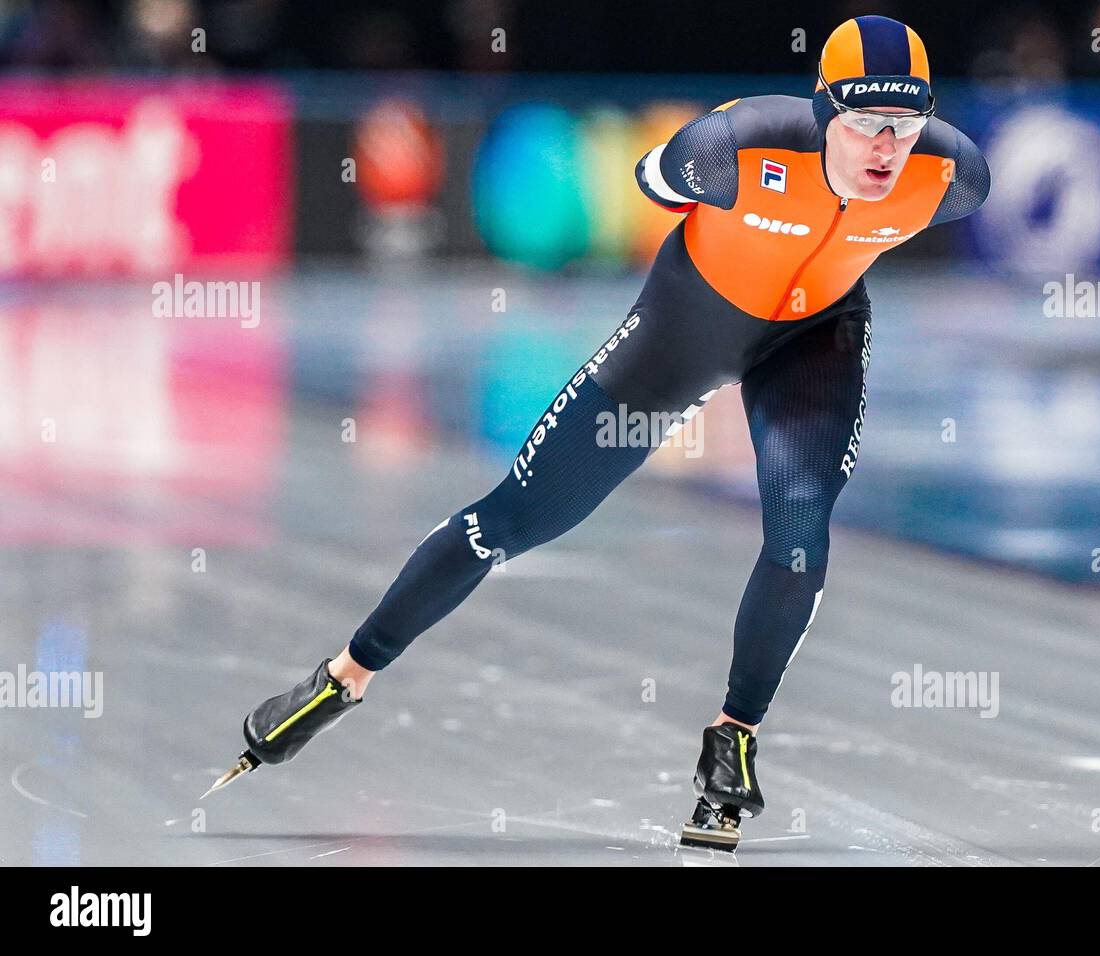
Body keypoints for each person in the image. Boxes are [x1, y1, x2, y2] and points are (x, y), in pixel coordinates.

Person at [207, 15, 991, 852]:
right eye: (867, 122)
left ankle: (734, 737)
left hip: (814, 340)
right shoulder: (736, 145)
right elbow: (651, 179)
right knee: (514, 518)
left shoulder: (953, 176)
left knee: (801, 525)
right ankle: (344, 677)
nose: (885, 147)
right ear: (822, 108)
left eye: (905, 125)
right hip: (683, 331)